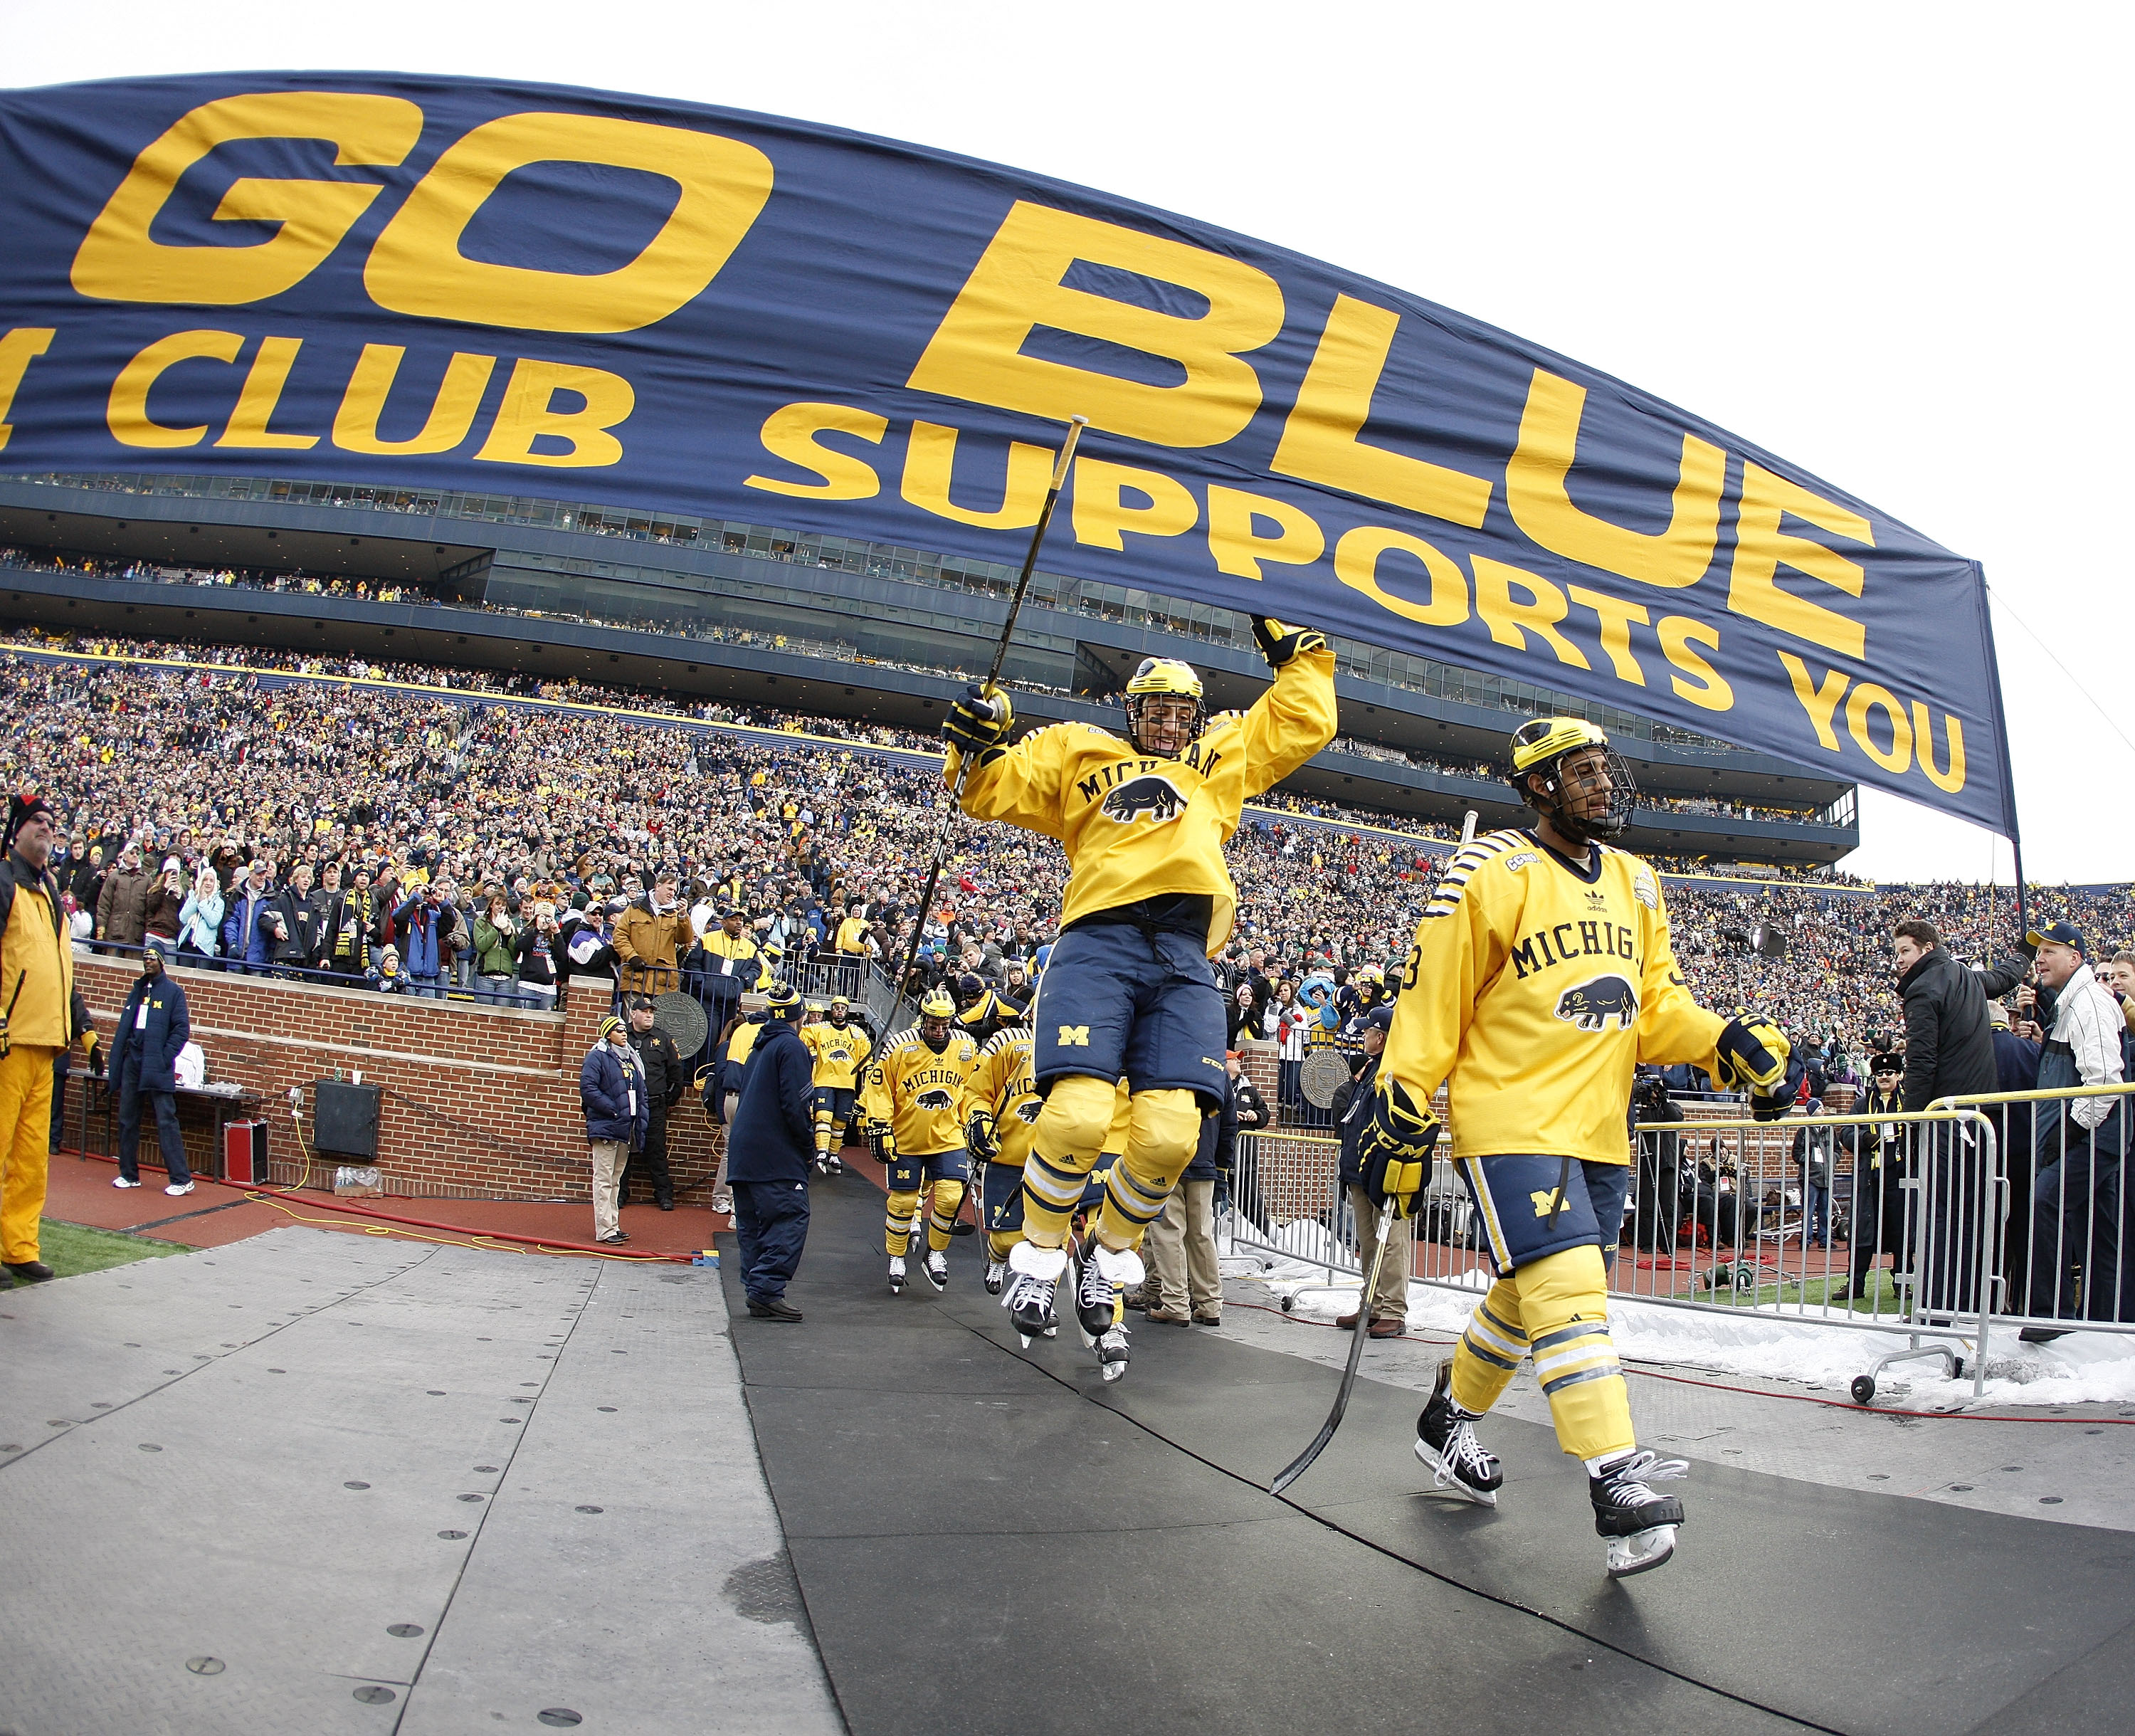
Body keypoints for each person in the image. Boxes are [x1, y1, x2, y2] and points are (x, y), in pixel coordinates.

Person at [1360, 717, 1790, 1577]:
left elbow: (1654, 1006)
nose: (1601, 784)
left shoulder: (1637, 881)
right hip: (1511, 1116)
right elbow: (1432, 994)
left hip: (1599, 1126)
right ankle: (1613, 1474)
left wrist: (1722, 1039)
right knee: (1570, 1286)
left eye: (1604, 769)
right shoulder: (1491, 870)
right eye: (1581, 772)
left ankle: (1447, 1418)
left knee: (1530, 1294)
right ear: (1536, 786)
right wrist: (1403, 1095)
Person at [943, 618, 1337, 1379]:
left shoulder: (1217, 757)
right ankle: (1039, 1255)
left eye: (1180, 713)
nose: (1167, 723)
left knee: (1170, 1137)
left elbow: (1303, 720)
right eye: (1154, 710)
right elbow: (984, 791)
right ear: (1132, 712)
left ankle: (1108, 1257)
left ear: (1194, 717)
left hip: (1186, 954)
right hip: (1100, 941)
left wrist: (1301, 652)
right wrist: (975, 735)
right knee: (1081, 1114)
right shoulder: (1077, 751)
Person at [1893, 916, 2028, 1315]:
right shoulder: (1967, 977)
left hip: (1945, 1120)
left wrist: (1912, 1121)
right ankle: (1968, 1305)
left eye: (1905, 951)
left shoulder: (1922, 991)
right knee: (1971, 1215)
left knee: (1939, 1217)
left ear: (1926, 948)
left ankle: (1938, 1309)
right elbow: (2005, 977)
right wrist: (2024, 955)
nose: (1898, 960)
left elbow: (1921, 1063)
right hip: (1979, 1120)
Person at [2023, 921, 2129, 1334]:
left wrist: (2068, 1133)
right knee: (2103, 1226)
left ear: (2075, 958)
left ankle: (2051, 1315)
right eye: (2039, 951)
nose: (2040, 959)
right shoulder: (2072, 1002)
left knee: (2046, 1200)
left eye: (2049, 951)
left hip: (2096, 1131)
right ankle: (2108, 1321)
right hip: (2099, 1130)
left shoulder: (2089, 1003)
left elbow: (2105, 1080)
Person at [1, 791, 78, 1287]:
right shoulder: (5, 882)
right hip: (9, 1041)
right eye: (39, 822)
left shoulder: (50, 894)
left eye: (53, 823)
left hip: (46, 1042)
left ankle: (19, 1245)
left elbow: (61, 971)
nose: (48, 829)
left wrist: (85, 1031)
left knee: (31, 1157)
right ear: (17, 832)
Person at [858, 986, 979, 1294]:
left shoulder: (966, 1047)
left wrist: (976, 1120)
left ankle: (935, 1252)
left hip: (948, 1136)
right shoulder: (900, 1046)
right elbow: (879, 1087)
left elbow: (972, 1088)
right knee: (904, 1202)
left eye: (944, 1024)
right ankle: (896, 1257)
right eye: (933, 1023)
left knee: (952, 1197)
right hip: (907, 1138)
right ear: (922, 1019)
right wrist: (879, 1125)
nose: (938, 1030)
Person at [725, 982, 816, 1321]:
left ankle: (756, 1289)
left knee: (753, 1225)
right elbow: (795, 1104)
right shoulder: (791, 1048)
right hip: (775, 1155)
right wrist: (808, 1146)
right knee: (789, 1218)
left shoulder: (758, 1047)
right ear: (799, 1017)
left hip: (744, 1154)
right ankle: (766, 1289)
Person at [1334, 1004, 1407, 1336]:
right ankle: (1372, 1305)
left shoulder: (1396, 1072)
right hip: (1360, 1171)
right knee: (1370, 1242)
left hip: (1383, 1170)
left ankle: (1393, 1309)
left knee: (1390, 1241)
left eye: (1368, 1031)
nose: (1363, 1035)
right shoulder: (1371, 1070)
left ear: (1381, 1037)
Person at [1146, 1058, 1232, 1327]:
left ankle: (1175, 1304)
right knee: (1201, 1234)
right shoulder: (1218, 1070)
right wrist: (1221, 1169)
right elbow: (1229, 1124)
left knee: (1168, 1233)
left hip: (1164, 1158)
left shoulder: (1163, 1059)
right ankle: (1210, 1304)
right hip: (1205, 1160)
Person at [107, 936, 195, 1195]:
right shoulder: (137, 990)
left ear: (161, 962)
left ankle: (181, 1179)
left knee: (166, 1120)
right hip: (133, 1061)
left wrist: (163, 1057)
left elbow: (181, 1030)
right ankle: (129, 1174)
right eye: (145, 958)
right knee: (127, 1119)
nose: (148, 962)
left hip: (156, 1064)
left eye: (152, 958)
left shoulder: (173, 993)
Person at [964, 1015, 1041, 1299]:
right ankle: (997, 1258)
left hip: (1054, 1162)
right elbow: (977, 1091)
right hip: (1008, 1155)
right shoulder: (1008, 1043)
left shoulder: (1081, 1049)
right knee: (1008, 1237)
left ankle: (1037, 1295)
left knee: (1049, 1240)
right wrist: (979, 1119)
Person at [1833, 1054, 1907, 1306]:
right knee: (1862, 1232)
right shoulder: (1863, 1104)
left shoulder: (1908, 1103)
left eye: (1889, 1073)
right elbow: (1846, 1131)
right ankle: (1855, 1283)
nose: (1884, 1077)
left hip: (1900, 1175)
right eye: (1880, 1073)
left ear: (1899, 1075)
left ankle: (1902, 1283)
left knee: (1902, 1230)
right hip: (1870, 1177)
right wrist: (1866, 1139)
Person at [579, 1014, 647, 1245]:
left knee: (616, 1179)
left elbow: (640, 1092)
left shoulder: (632, 1059)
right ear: (607, 1034)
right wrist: (614, 1109)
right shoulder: (597, 1057)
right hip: (607, 1125)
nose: (623, 1033)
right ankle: (604, 1229)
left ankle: (614, 1225)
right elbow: (588, 1089)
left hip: (625, 1127)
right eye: (618, 1030)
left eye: (624, 1029)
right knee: (603, 1179)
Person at [798, 993, 871, 1176]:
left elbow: (866, 1058)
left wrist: (868, 1073)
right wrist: (804, 1018)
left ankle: (833, 1154)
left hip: (847, 1083)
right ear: (832, 1010)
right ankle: (822, 1150)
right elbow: (801, 1035)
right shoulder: (820, 1029)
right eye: (837, 1008)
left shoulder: (857, 1033)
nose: (840, 1011)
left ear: (847, 1011)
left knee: (840, 1121)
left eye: (843, 1008)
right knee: (823, 1115)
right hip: (824, 1080)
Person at [623, 994, 683, 1211]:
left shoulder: (663, 1039)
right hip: (626, 1105)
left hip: (654, 1105)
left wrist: (668, 1100)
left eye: (651, 1013)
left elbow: (676, 1073)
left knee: (656, 1151)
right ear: (633, 1014)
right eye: (644, 1012)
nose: (649, 1016)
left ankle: (664, 1195)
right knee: (624, 1149)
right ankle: (621, 1194)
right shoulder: (622, 1037)